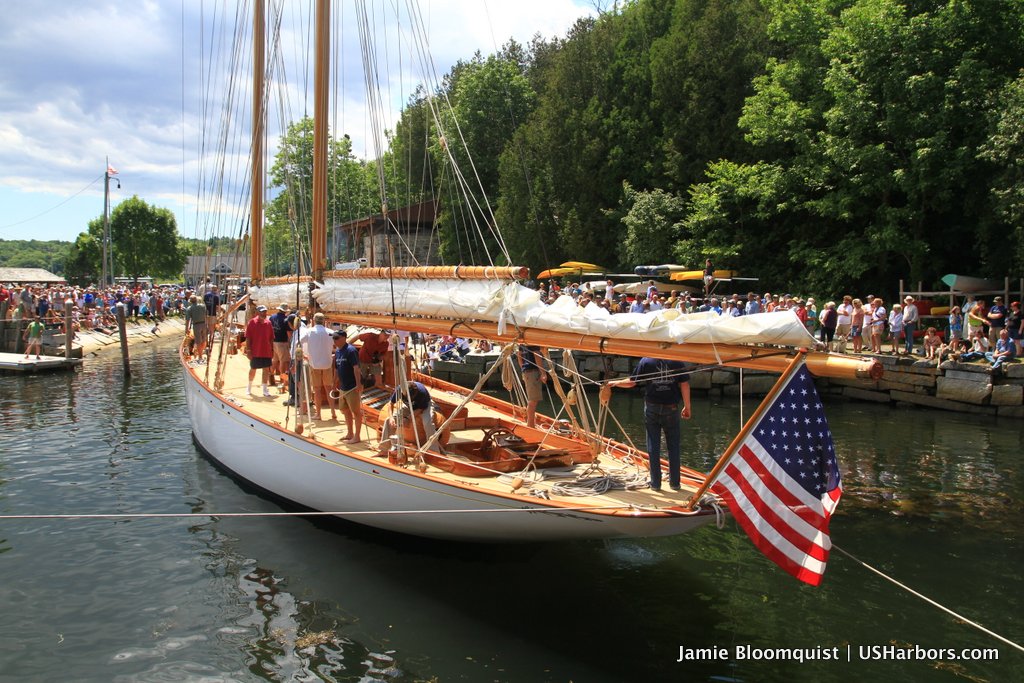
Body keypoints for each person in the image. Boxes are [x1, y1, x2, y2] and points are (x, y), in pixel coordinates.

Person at [606, 357, 693, 491]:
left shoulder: (646, 361)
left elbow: (632, 382)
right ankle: (675, 483)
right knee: (673, 446)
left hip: (652, 407)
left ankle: (655, 484)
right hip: (671, 408)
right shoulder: (677, 360)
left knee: (653, 446)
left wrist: (614, 383)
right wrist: (687, 407)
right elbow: (685, 384)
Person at [332, 329, 363, 443]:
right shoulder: (338, 351)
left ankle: (357, 436)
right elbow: (336, 369)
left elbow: (356, 368)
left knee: (356, 412)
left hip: (352, 387)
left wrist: (358, 384)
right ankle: (350, 433)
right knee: (345, 410)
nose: (334, 341)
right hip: (343, 387)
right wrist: (334, 382)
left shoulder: (351, 350)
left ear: (344, 338)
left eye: (336, 338)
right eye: (333, 338)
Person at [304, 312, 336, 420]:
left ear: (313, 320)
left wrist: (305, 355)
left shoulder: (309, 332)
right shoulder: (331, 332)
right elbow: (338, 343)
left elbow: (299, 342)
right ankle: (333, 412)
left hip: (314, 364)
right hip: (327, 363)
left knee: (317, 390)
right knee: (328, 388)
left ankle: (318, 414)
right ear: (324, 321)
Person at [244, 305, 275, 397]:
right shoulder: (251, 323)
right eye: (262, 312)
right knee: (253, 369)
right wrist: (248, 350)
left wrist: (272, 350)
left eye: (265, 312)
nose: (264, 313)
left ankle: (265, 389)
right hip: (255, 351)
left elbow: (271, 338)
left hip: (266, 351)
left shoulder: (268, 323)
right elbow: (248, 338)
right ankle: (249, 387)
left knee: (266, 369)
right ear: (257, 312)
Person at [518, 345, 548, 428]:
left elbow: (519, 354)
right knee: (533, 400)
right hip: (533, 372)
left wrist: (523, 369)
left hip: (528, 372)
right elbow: (536, 355)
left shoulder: (523, 341)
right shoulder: (533, 342)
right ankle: (530, 426)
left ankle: (531, 424)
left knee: (532, 399)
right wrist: (543, 373)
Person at [269, 303, 293, 389]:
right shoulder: (285, 320)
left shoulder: (272, 317)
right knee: (283, 360)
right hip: (282, 342)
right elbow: (289, 333)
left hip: (274, 341)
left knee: (275, 359)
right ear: (285, 311)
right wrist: (291, 343)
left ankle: (270, 375)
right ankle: (282, 380)